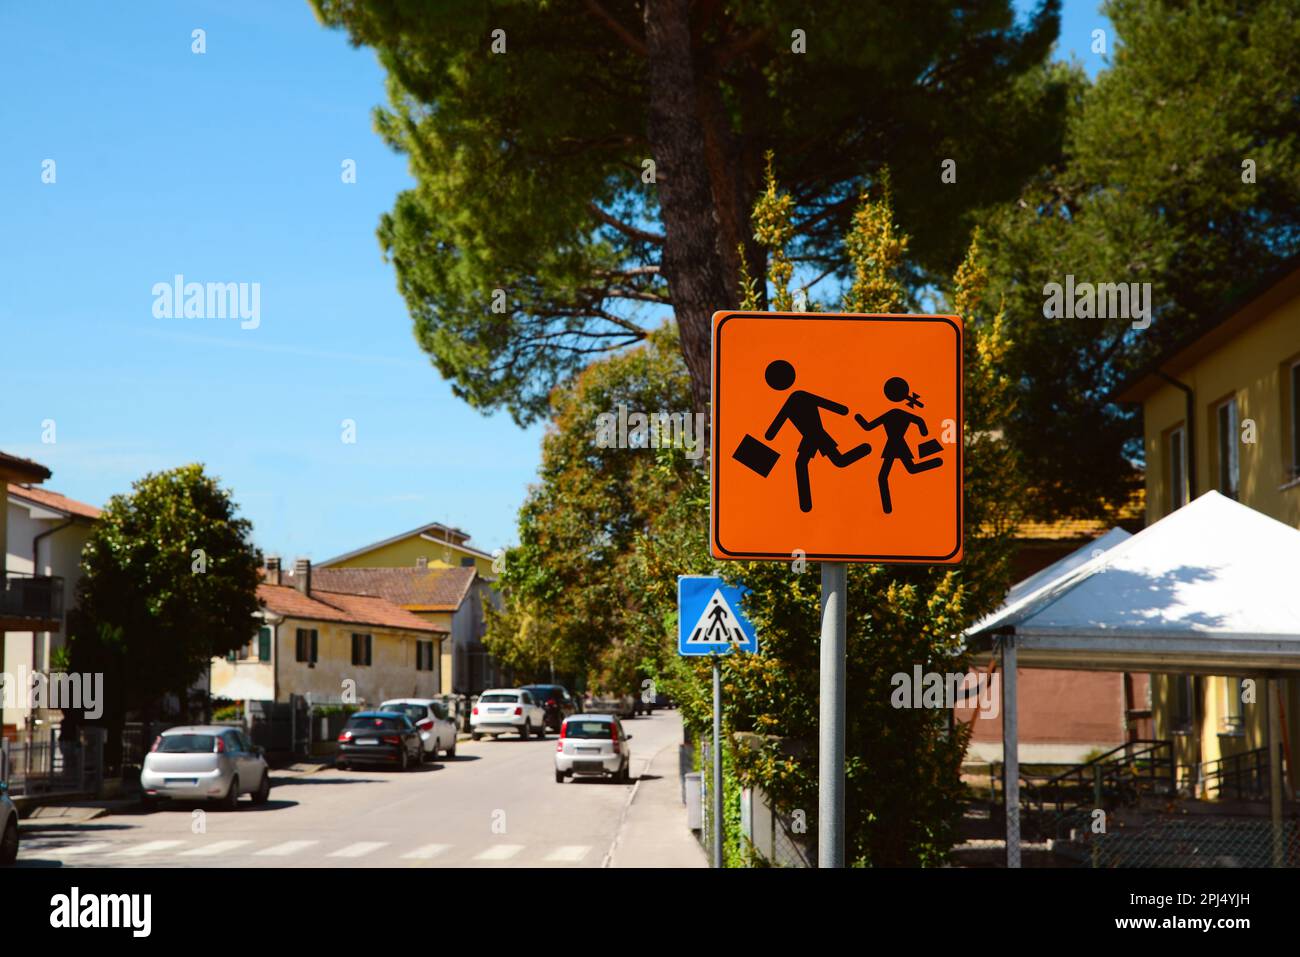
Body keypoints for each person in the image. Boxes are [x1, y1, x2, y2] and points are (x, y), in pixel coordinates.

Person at [763, 359, 872, 513]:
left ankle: (865, 449)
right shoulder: (794, 399)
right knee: (808, 463)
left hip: (817, 434)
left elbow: (823, 403)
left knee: (832, 462)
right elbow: (777, 423)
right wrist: (770, 434)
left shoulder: (797, 397)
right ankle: (805, 505)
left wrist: (842, 410)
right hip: (810, 436)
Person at [855, 376, 942, 514]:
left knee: (884, 476)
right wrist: (923, 432)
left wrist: (858, 418)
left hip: (895, 445)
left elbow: (868, 426)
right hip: (897, 444)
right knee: (908, 469)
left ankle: (887, 509)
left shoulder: (891, 414)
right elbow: (919, 420)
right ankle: (935, 462)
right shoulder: (901, 414)